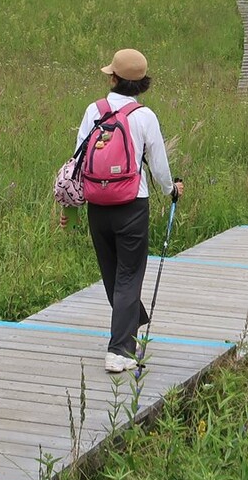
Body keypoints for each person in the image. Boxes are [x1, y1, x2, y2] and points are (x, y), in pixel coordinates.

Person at [75, 48, 182, 374]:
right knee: (128, 276)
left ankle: (132, 320)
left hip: (97, 203)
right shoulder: (145, 117)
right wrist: (171, 190)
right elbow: (159, 166)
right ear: (142, 84)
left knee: (112, 274)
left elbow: (78, 156)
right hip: (132, 204)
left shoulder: (94, 110)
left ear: (113, 78)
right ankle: (120, 349)